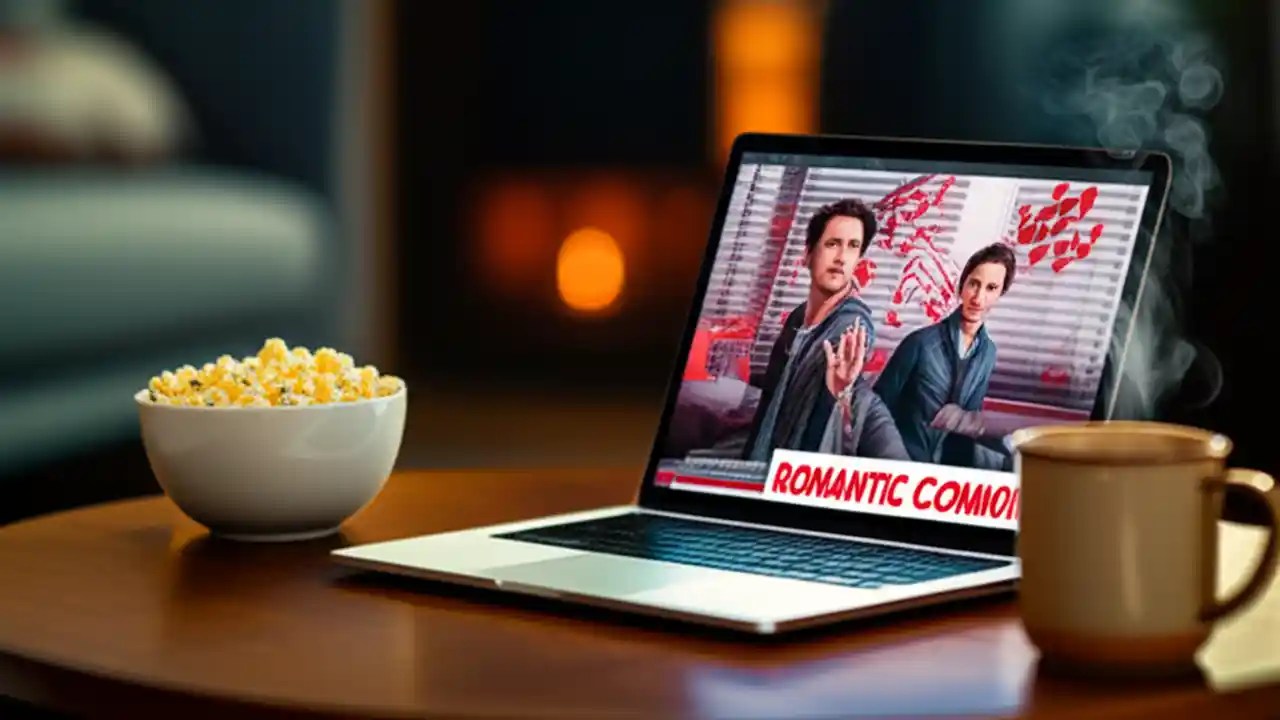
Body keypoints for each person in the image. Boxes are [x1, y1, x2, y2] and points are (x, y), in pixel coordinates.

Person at [743, 199, 909, 462]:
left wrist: (840, 394)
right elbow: (770, 401)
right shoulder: (796, 321)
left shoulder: (853, 324)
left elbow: (853, 393)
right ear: (808, 254)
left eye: (853, 247)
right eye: (833, 244)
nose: (842, 257)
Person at [873, 243, 1018, 470]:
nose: (978, 297)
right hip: (899, 465)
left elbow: (969, 425)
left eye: (991, 288)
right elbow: (877, 407)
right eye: (974, 284)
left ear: (1000, 294)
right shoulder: (920, 343)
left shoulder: (988, 354)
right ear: (962, 285)